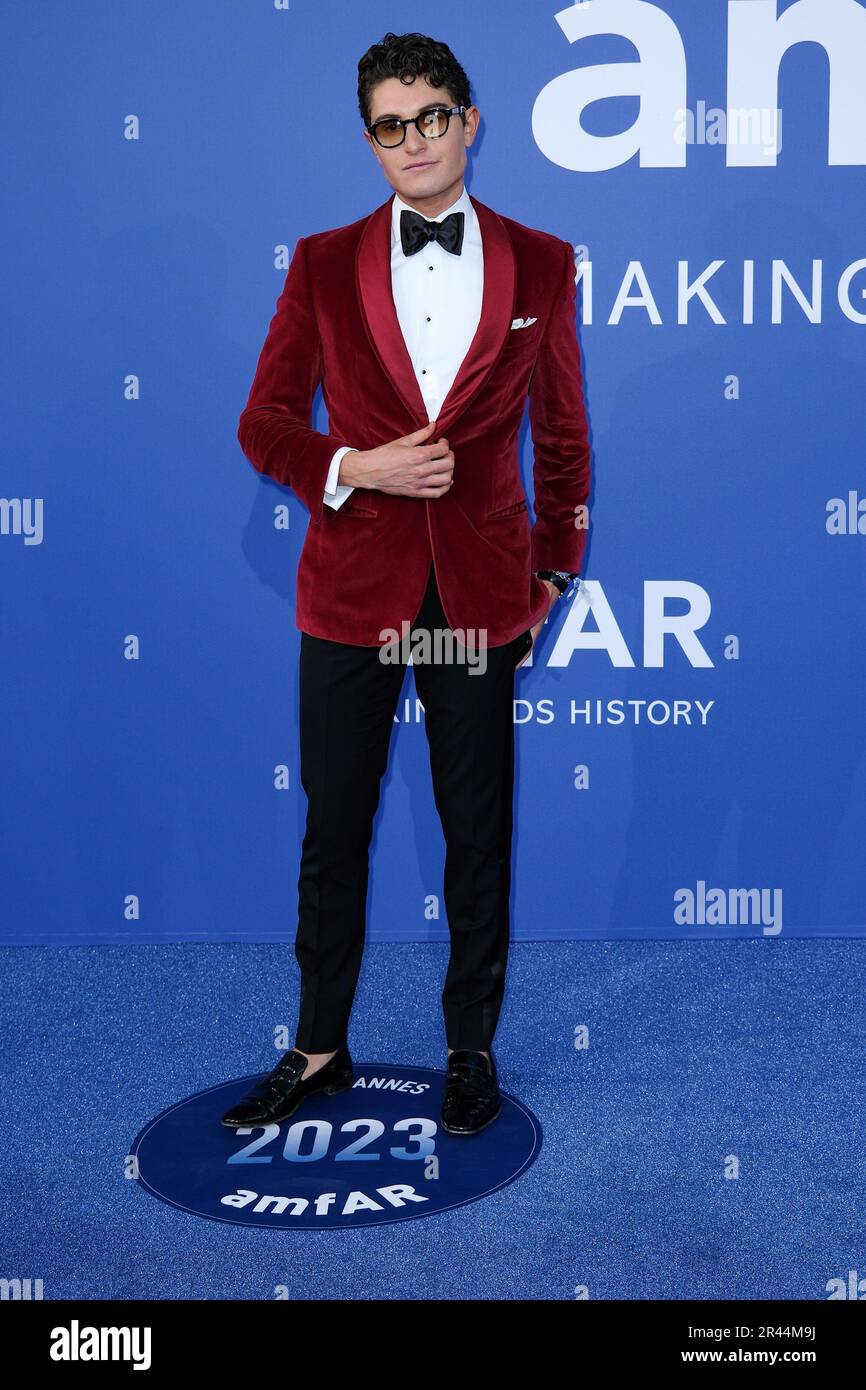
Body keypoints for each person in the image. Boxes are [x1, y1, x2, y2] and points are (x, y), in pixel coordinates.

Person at [222, 31, 591, 1136]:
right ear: (370, 141)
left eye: (431, 116)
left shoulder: (543, 262)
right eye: (390, 125)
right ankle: (317, 1046)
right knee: (334, 828)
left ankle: (469, 1048)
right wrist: (354, 465)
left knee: (476, 829)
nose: (414, 140)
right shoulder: (321, 262)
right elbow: (263, 423)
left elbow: (562, 435)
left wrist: (553, 573)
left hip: (478, 595)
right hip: (351, 594)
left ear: (468, 122)